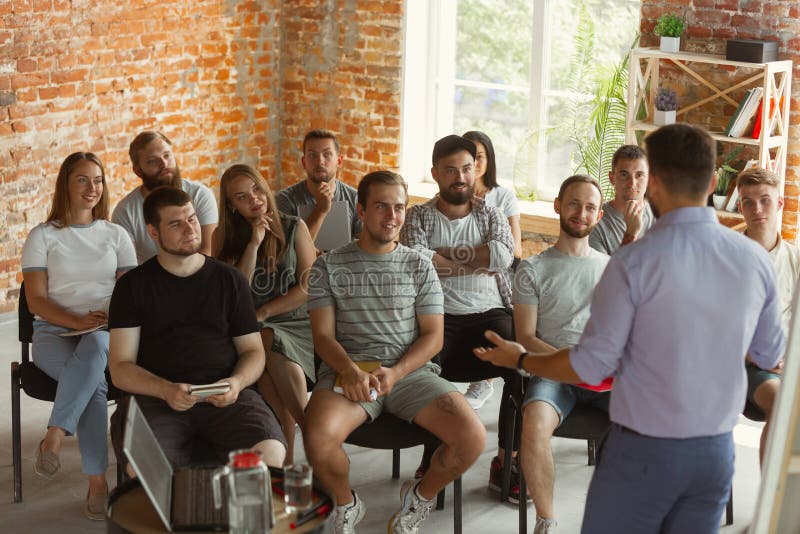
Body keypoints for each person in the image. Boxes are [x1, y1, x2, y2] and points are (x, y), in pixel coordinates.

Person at [474, 124, 785, 533]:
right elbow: (769, 356)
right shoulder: (754, 260)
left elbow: (591, 364)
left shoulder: (631, 262)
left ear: (651, 183)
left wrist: (523, 358)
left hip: (642, 449)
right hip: (713, 452)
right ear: (712, 182)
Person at [304, 171, 485, 534]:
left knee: (473, 439)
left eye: (399, 207)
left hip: (410, 374)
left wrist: (398, 372)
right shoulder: (329, 264)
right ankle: (346, 503)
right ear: (361, 210)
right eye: (381, 206)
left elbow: (433, 337)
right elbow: (322, 337)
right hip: (349, 371)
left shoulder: (419, 265)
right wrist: (351, 371)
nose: (392, 216)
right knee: (316, 437)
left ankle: (419, 496)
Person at [108, 187, 286, 471]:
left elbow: (253, 351)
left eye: (191, 219)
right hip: (156, 399)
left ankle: (233, 512)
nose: (190, 229)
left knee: (271, 455)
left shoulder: (230, 280)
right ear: (153, 233)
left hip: (226, 395)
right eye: (176, 224)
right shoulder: (132, 287)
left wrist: (237, 382)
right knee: (148, 469)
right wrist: (165, 390)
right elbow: (120, 367)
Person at [400, 134, 522, 503]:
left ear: (476, 170)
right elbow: (415, 259)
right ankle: (433, 457)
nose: (460, 176)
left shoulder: (491, 213)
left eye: (467, 168)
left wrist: (444, 258)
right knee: (427, 369)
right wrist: (474, 260)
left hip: (490, 314)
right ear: (436, 173)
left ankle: (507, 461)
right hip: (438, 316)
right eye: (451, 169)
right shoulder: (419, 216)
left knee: (520, 364)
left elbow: (502, 257)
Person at [21, 152, 137, 520]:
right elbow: (36, 298)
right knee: (94, 387)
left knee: (98, 348)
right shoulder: (42, 235)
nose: (92, 188)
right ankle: (98, 484)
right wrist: (74, 321)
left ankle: (56, 434)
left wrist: (100, 323)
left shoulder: (117, 234)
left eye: (98, 180)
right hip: (52, 333)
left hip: (103, 333)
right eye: (83, 180)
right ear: (65, 185)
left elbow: (132, 294)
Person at [513, 175, 609, 534]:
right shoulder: (533, 269)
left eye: (589, 207)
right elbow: (525, 336)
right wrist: (568, 366)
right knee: (534, 424)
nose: (580, 213)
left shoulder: (610, 268)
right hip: (552, 372)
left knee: (646, 421)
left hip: (602, 375)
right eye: (573, 204)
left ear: (598, 215)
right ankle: (546, 521)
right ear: (558, 205)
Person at [213, 163, 316, 465]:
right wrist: (254, 244)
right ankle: (306, 438)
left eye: (257, 189)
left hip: (293, 320)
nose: (255, 199)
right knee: (268, 357)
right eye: (243, 197)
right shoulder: (223, 236)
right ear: (231, 205)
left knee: (269, 337)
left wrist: (264, 312)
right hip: (247, 326)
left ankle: (299, 442)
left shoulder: (294, 226)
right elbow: (236, 290)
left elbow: (309, 286)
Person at [737, 167, 800, 467]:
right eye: (748, 201)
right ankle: (768, 509)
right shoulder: (726, 258)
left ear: (780, 203)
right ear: (740, 207)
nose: (757, 209)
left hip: (790, 362)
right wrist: (758, 356)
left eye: (765, 200)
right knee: (782, 403)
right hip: (747, 368)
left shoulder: (795, 260)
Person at [461, 130, 523, 410]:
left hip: (497, 275)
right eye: (469, 157)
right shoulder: (452, 196)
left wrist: (479, 256)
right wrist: (481, 254)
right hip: (460, 273)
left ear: (489, 160)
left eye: (480, 157)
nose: (474, 163)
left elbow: (513, 251)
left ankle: (483, 379)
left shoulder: (503, 197)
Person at [112, 131, 218, 263]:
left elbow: (208, 252)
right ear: (137, 170)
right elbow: (129, 266)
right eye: (152, 161)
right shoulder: (125, 212)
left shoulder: (200, 194)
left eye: (167, 155)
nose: (164, 164)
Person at [275, 129, 361, 244]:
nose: (320, 161)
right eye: (312, 155)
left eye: (327, 154)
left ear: (339, 161)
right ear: (304, 162)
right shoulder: (284, 200)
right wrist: (320, 210)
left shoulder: (355, 198)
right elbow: (289, 252)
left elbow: (367, 246)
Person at [588, 144, 653, 254]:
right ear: (612, 178)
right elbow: (606, 271)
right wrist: (631, 234)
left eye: (639, 175)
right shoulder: (595, 221)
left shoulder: (661, 216)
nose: (632, 183)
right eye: (624, 174)